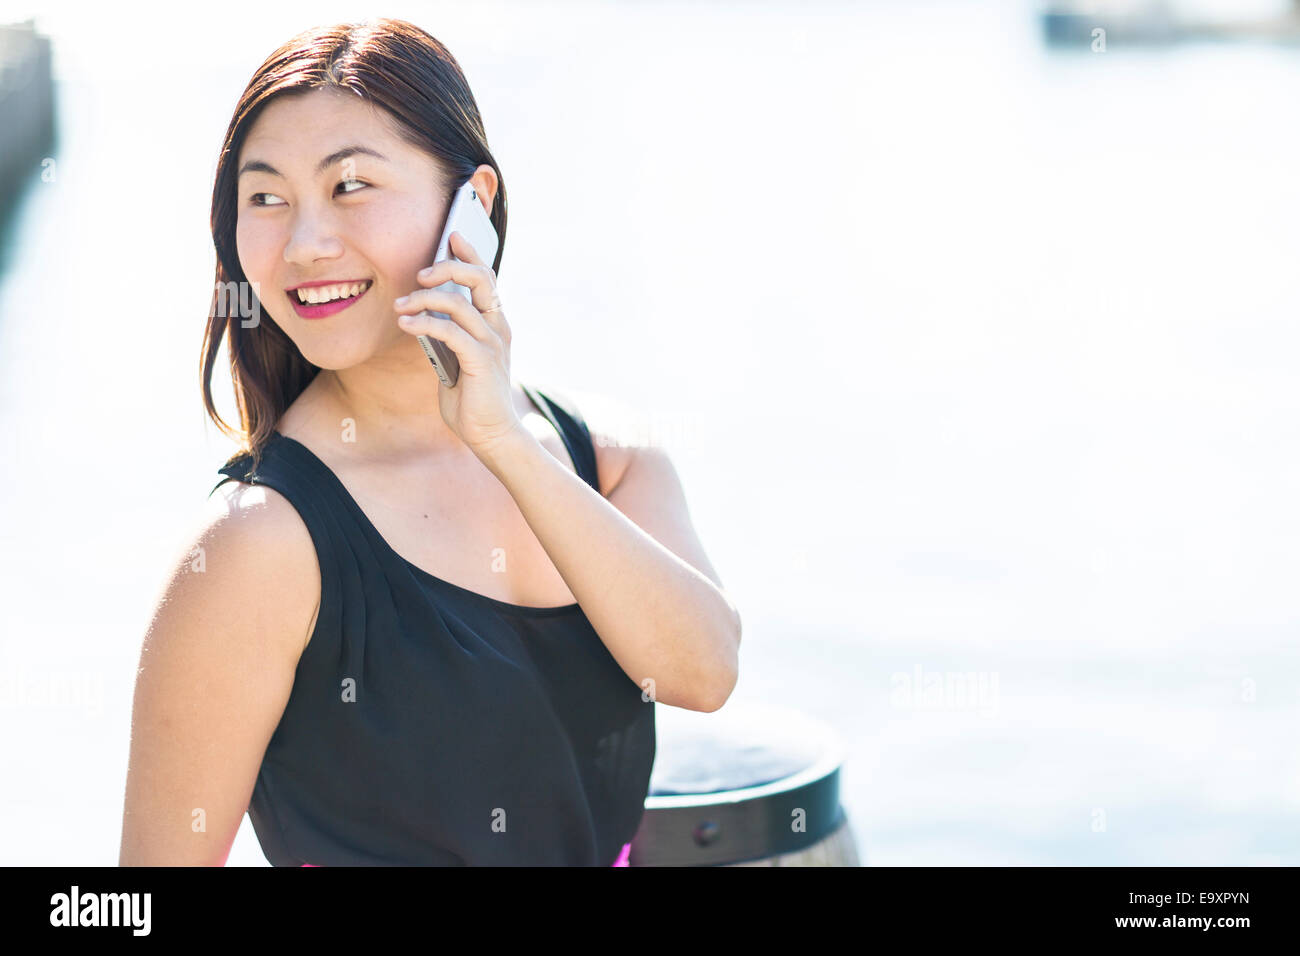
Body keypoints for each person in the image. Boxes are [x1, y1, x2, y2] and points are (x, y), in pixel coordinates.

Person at [118, 17, 741, 866]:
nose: (304, 245)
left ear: (471, 206)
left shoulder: (610, 457)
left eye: (350, 187)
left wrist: (504, 443)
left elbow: (703, 673)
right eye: (266, 198)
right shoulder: (258, 544)